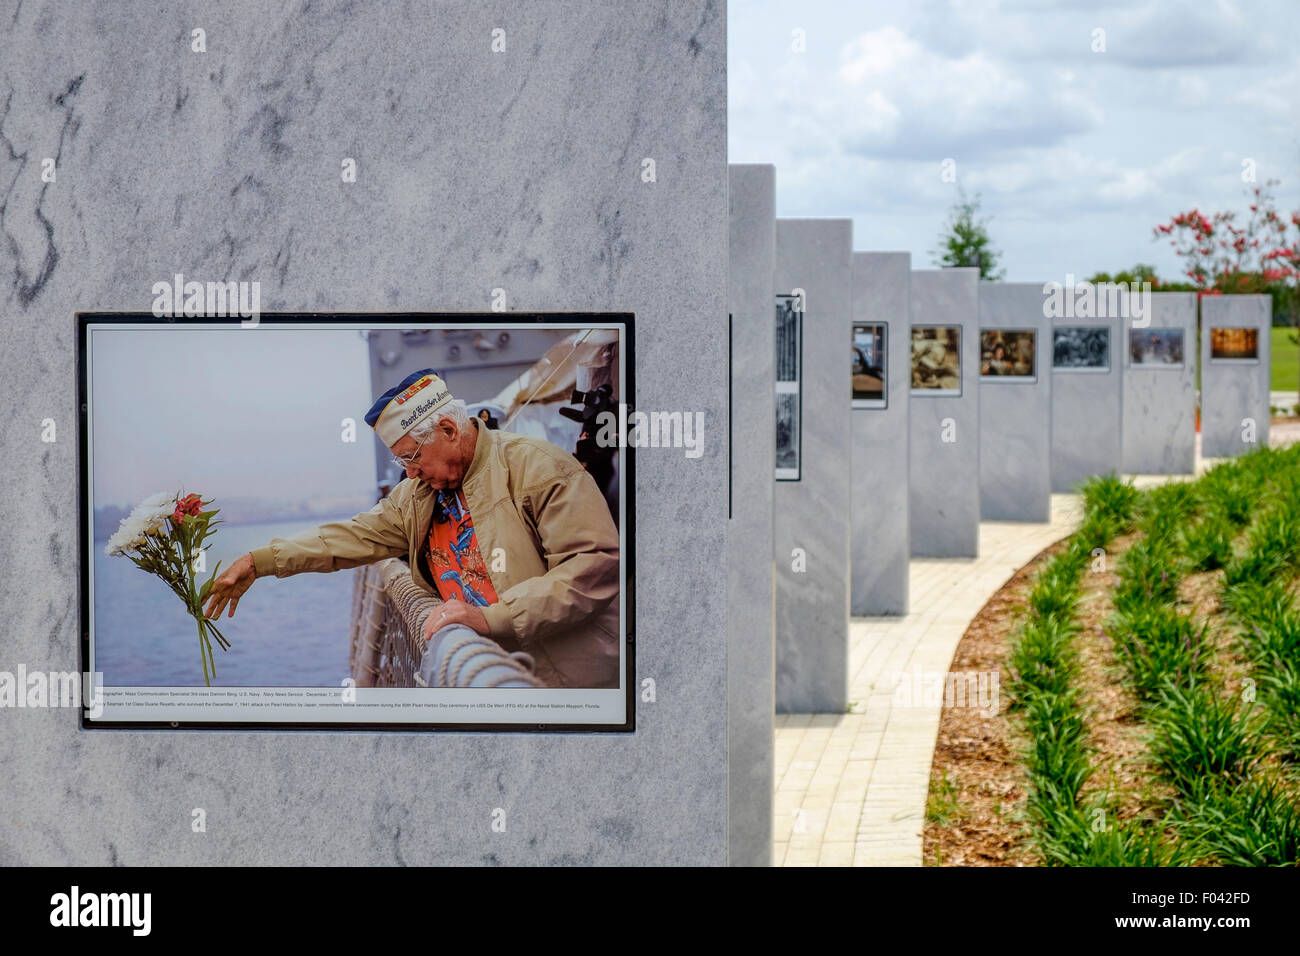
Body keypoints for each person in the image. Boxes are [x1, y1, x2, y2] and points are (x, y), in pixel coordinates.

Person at [202, 368, 622, 689]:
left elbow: (594, 564)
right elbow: (348, 537)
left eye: (412, 457)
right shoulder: (417, 497)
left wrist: (490, 618)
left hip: (570, 683)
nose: (411, 473)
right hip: (480, 681)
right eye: (402, 462)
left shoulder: (537, 466)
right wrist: (258, 563)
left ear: (449, 429)